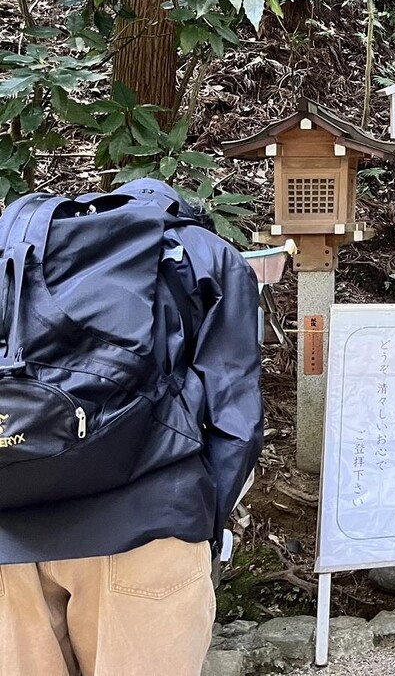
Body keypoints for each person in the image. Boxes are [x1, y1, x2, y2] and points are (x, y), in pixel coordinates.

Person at [0, 179, 263, 676]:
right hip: (146, 526)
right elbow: (236, 422)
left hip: (10, 534)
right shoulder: (204, 252)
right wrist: (200, 522)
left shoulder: (21, 249)